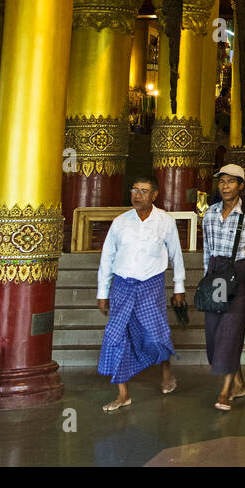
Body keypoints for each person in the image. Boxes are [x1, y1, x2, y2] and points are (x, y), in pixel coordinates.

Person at [96, 176, 185, 412]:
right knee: (117, 337)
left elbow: (176, 256)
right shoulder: (120, 222)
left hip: (151, 285)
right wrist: (103, 292)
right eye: (134, 190)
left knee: (156, 334)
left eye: (143, 191)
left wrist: (179, 288)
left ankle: (166, 369)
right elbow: (107, 258)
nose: (137, 195)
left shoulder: (164, 221)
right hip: (122, 286)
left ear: (155, 195)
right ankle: (122, 394)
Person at [199, 164, 245, 411]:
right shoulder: (211, 213)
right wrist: (207, 277)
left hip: (239, 271)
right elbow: (207, 250)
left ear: (241, 186)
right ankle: (238, 382)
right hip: (216, 273)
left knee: (231, 327)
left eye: (231, 182)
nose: (225, 186)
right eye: (222, 181)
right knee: (214, 329)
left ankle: (225, 390)